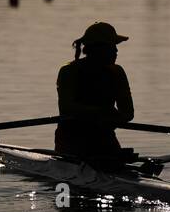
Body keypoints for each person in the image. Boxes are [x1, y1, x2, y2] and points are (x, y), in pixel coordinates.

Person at [55, 21, 134, 163]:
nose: (116, 51)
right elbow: (66, 108)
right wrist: (101, 112)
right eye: (112, 47)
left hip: (103, 136)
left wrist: (112, 119)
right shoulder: (69, 72)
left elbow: (128, 113)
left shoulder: (117, 72)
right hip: (72, 138)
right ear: (97, 49)